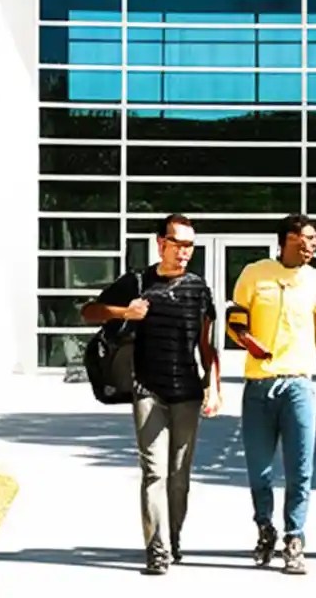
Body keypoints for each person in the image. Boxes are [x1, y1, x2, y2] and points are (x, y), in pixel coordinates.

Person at [81, 214, 221, 576]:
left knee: (180, 475)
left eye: (190, 245)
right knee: (154, 472)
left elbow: (206, 347)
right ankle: (156, 548)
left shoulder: (198, 289)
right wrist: (126, 311)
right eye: (178, 244)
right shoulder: (138, 282)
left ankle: (173, 537)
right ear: (161, 243)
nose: (184, 252)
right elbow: (89, 312)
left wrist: (214, 386)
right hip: (148, 390)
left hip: (187, 393)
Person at [227, 213, 316, 575]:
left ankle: (295, 538)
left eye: (315, 240)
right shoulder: (255, 273)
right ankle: (265, 527)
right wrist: (247, 342)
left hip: (298, 384)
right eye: (307, 239)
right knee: (260, 470)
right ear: (287, 239)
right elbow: (236, 321)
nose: (312, 245)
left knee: (300, 469)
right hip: (258, 386)